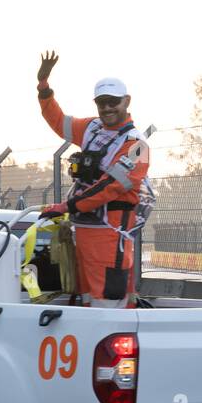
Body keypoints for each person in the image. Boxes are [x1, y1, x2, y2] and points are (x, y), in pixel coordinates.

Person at [36, 51, 152, 307]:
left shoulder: (137, 146)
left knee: (110, 303)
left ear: (127, 101)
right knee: (86, 301)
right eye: (102, 103)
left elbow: (110, 186)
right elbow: (58, 121)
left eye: (113, 101)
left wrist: (67, 206)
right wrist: (44, 88)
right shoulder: (92, 127)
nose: (108, 108)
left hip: (111, 235)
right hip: (84, 230)